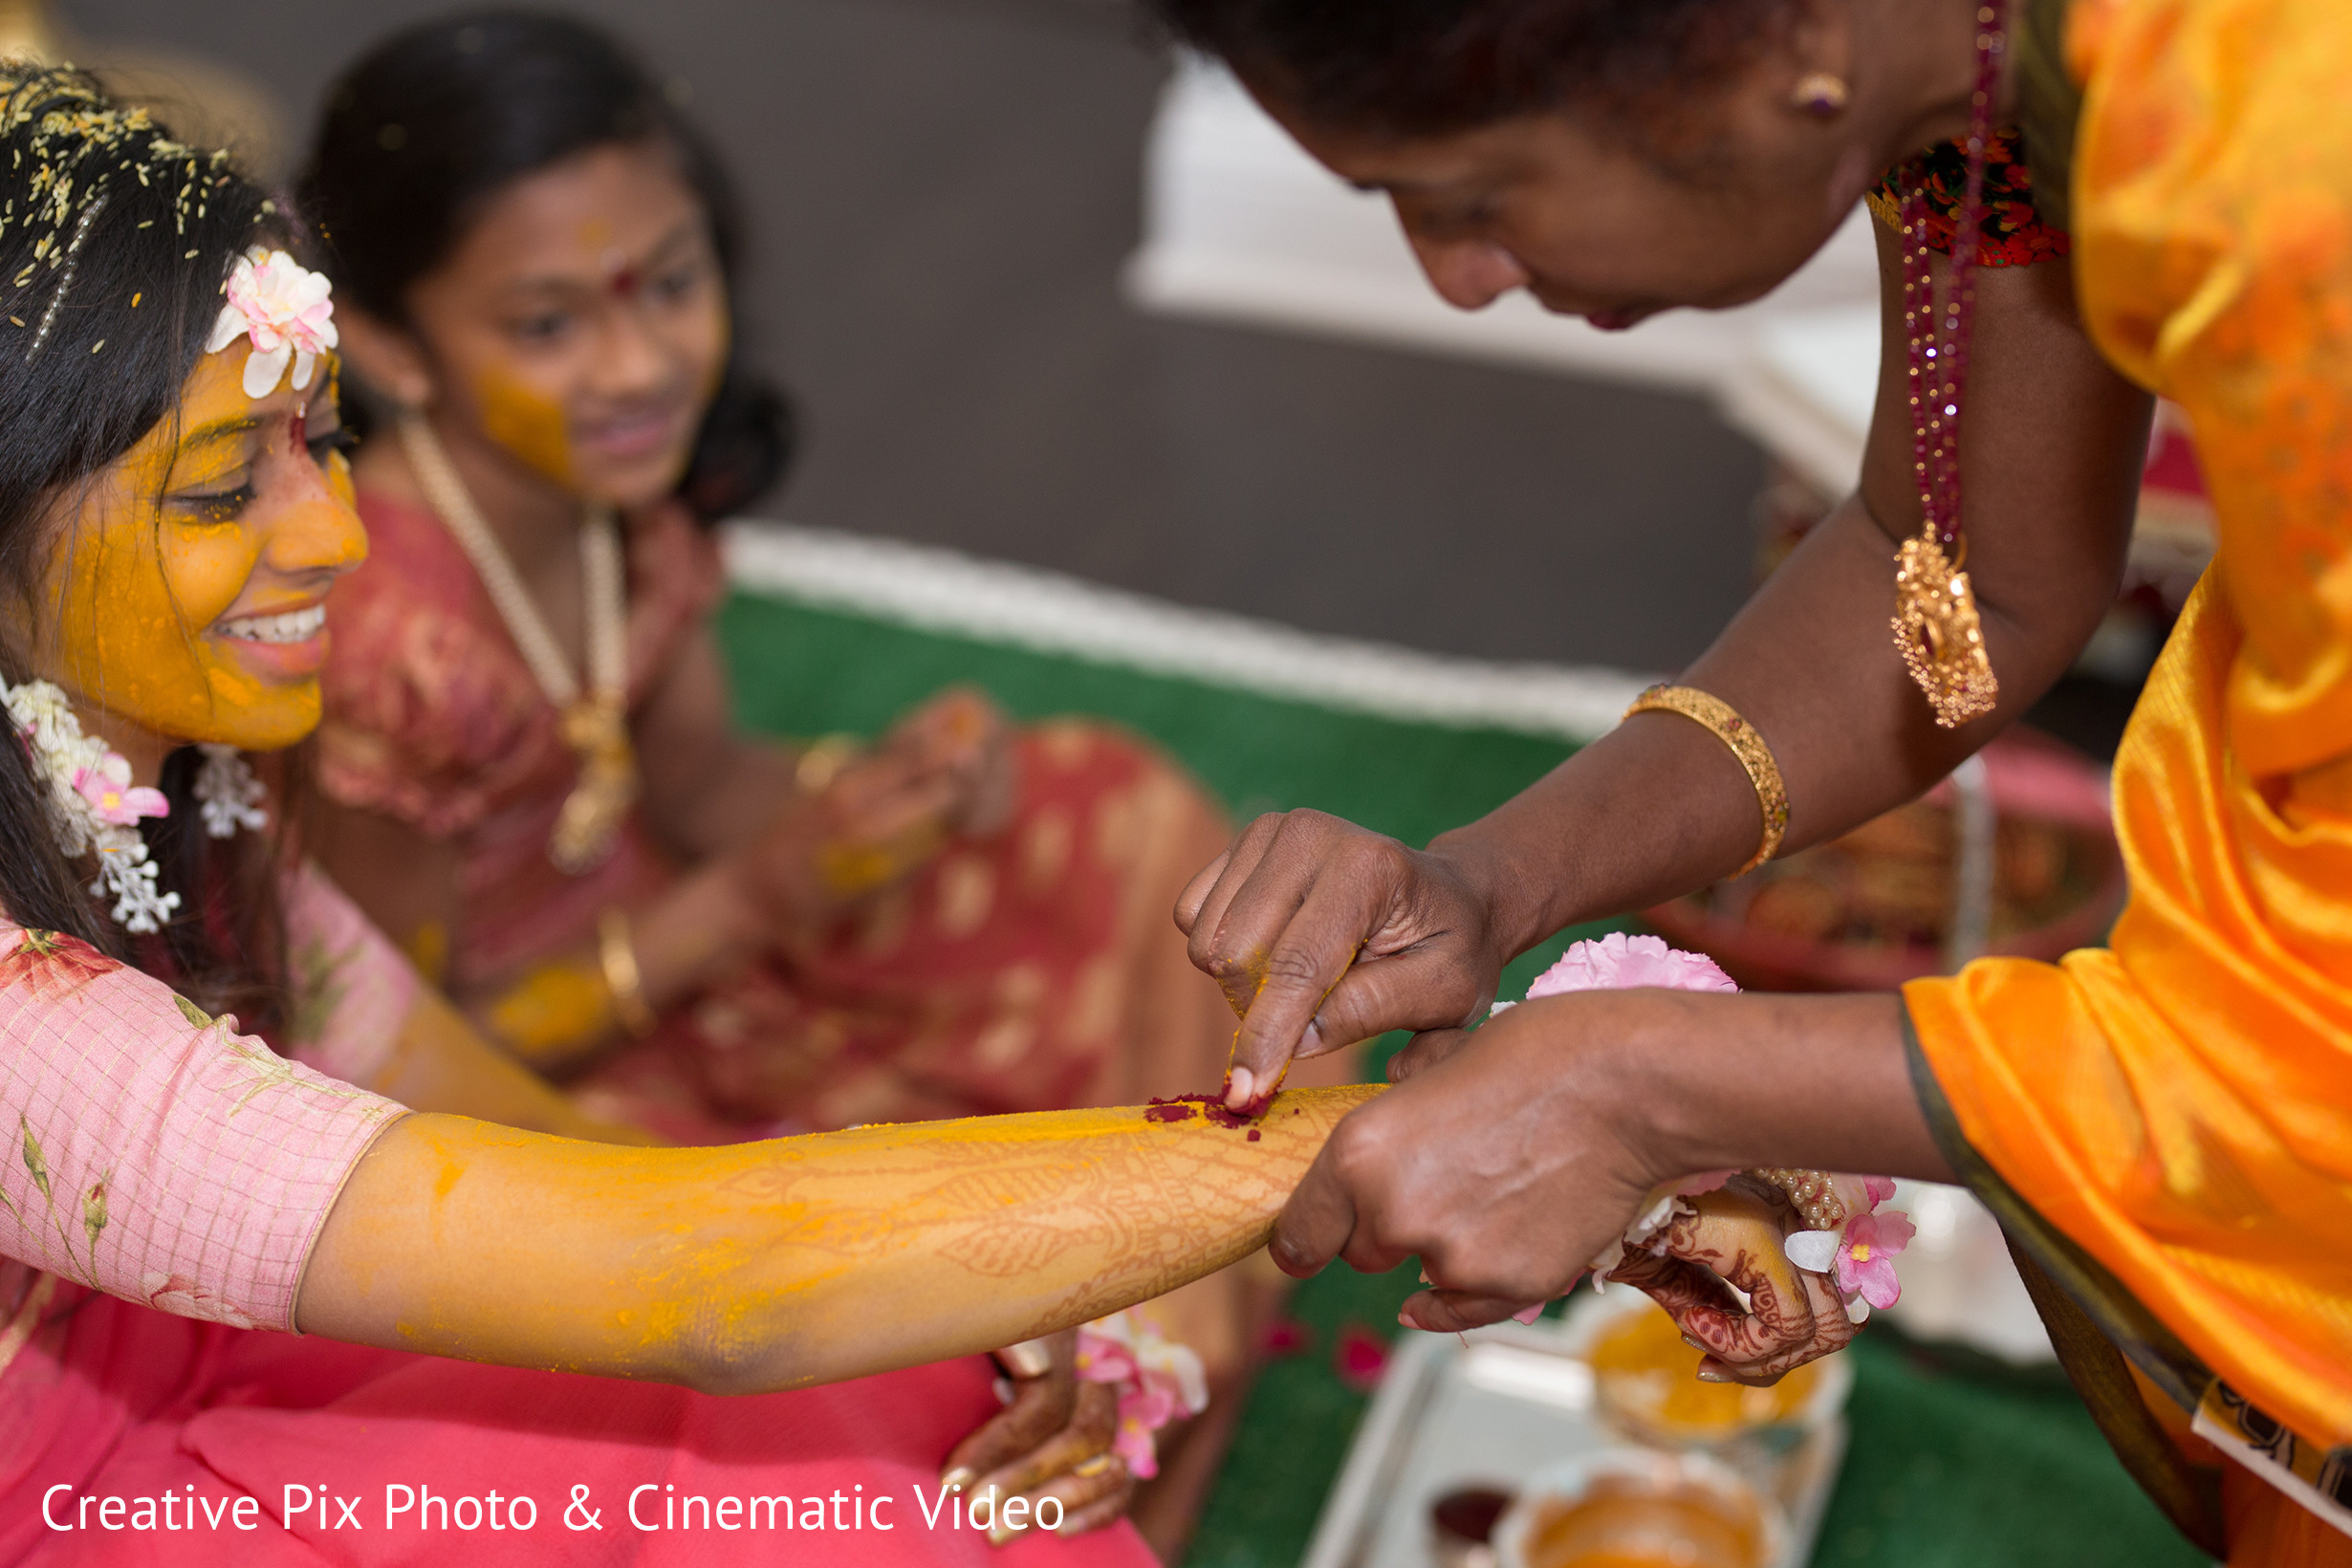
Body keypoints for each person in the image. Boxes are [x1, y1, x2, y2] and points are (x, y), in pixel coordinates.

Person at [0, 64, 1387, 1564]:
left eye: (322, 439)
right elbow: (717, 1287)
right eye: (221, 494)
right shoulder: (31, 1022)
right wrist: (1380, 1138)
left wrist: (975, 1288)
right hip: (111, 1506)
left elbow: (473, 1095)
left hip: (243, 1346)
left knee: (917, 1411)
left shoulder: (174, 776)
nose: (337, 532)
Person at [1145, 0, 2352, 1562]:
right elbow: (1962, 588)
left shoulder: (2283, 174)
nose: (1456, 279)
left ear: (1761, 52)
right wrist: (1493, 882)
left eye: (1471, 196)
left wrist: (1646, 1090)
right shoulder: (1979, 56)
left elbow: (2302, 1071)